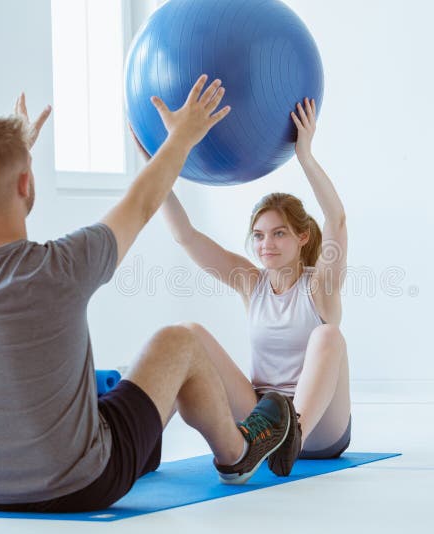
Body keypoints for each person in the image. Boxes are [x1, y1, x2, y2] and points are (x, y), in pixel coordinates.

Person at [0, 75, 298, 513]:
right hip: (83, 483)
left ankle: (148, 448)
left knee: (114, 391)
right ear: (26, 183)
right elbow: (141, 203)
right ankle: (239, 452)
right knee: (179, 343)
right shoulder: (60, 267)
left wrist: (12, 154)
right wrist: (185, 134)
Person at [159, 97, 349, 477]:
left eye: (279, 234)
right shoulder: (251, 282)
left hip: (320, 426)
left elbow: (337, 219)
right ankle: (141, 442)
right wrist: (159, 163)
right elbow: (186, 236)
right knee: (189, 335)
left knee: (328, 335)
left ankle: (290, 436)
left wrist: (305, 155)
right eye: (260, 236)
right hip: (262, 420)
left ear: (302, 237)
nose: (267, 244)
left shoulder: (319, 286)